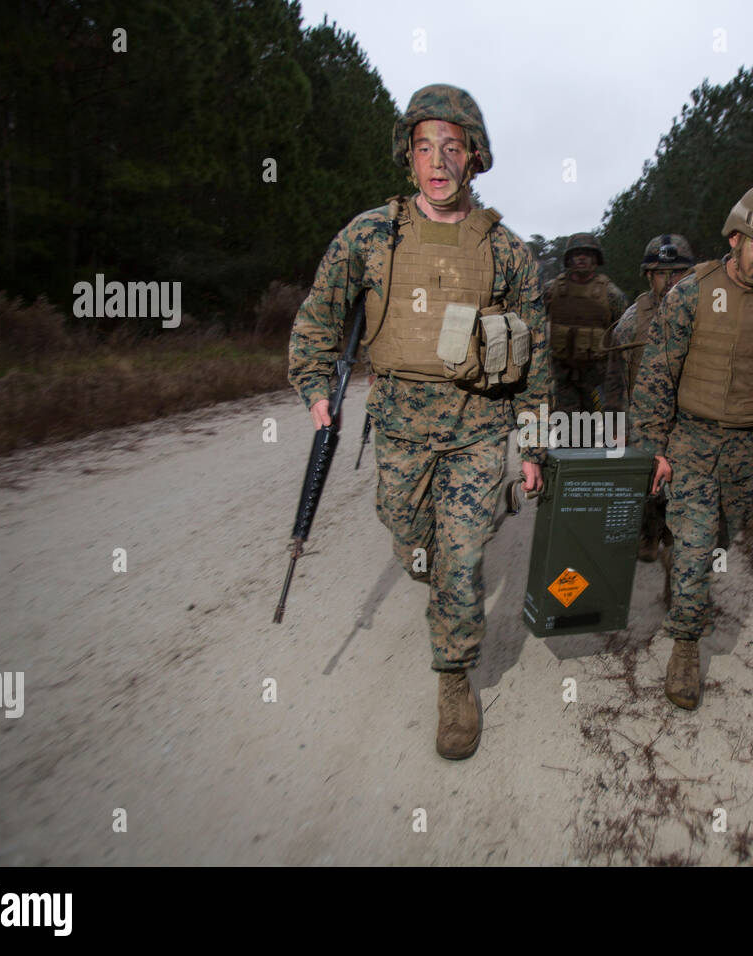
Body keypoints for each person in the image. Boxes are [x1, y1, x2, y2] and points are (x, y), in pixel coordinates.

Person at [287, 84, 549, 760]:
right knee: (410, 535)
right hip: (400, 428)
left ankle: (454, 674)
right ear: (409, 156)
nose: (438, 160)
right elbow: (319, 317)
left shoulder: (510, 253)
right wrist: (318, 387)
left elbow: (536, 358)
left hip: (478, 429)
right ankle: (423, 559)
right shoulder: (370, 235)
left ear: (475, 158)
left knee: (460, 563)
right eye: (426, 146)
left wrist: (533, 445)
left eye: (452, 147)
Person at [629, 182, 753, 710]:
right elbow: (655, 375)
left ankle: (683, 577)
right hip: (690, 440)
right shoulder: (692, 292)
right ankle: (686, 648)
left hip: (748, 447)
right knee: (696, 552)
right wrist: (653, 446)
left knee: (718, 541)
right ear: (736, 237)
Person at [604, 234, 695, 562]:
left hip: (690, 423)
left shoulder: (707, 317)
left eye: (679, 273)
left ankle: (674, 545)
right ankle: (649, 531)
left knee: (687, 495)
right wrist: (616, 426)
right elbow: (614, 382)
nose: (670, 282)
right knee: (647, 486)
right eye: (661, 274)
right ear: (648, 276)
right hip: (643, 421)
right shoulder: (630, 323)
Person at [543, 233, 628, 417]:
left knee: (604, 427)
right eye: (577, 254)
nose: (581, 258)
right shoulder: (552, 290)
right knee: (566, 431)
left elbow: (622, 337)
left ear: (596, 259)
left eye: (587, 254)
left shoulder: (612, 295)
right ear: (568, 259)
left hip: (598, 378)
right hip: (562, 376)